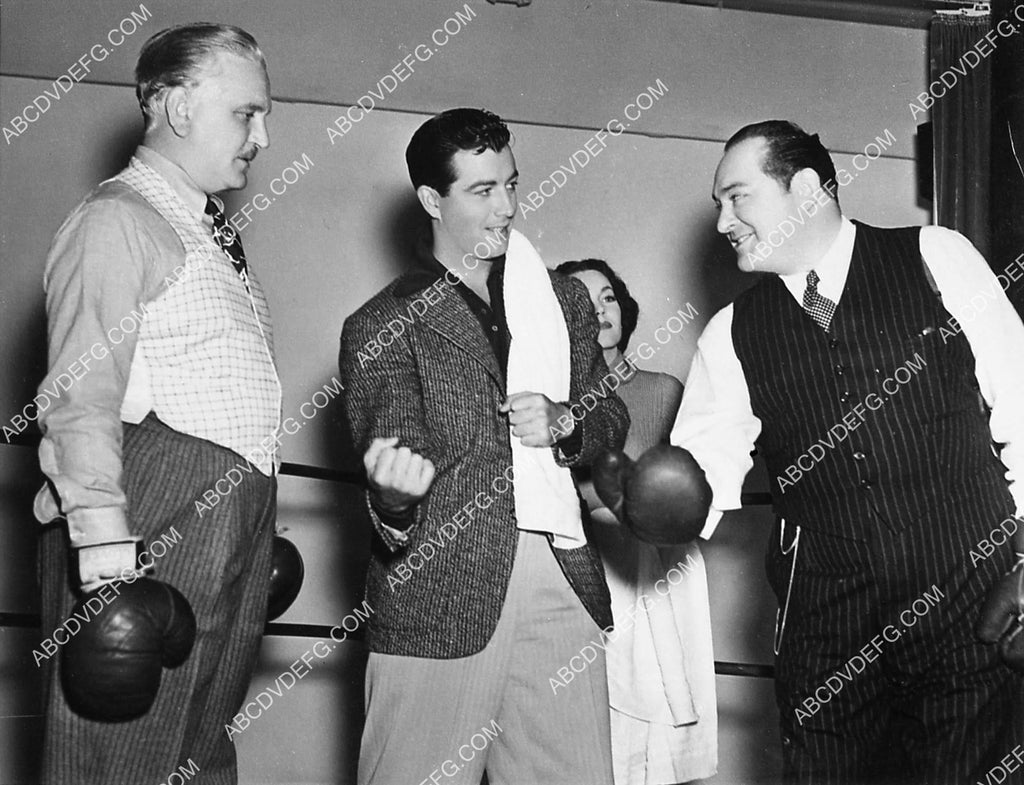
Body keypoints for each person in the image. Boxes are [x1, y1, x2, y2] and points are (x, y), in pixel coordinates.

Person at [672, 119, 1024, 784]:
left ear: (804, 189)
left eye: (737, 196)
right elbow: (693, 483)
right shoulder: (731, 331)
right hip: (828, 630)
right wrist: (631, 488)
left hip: (968, 602)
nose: (722, 221)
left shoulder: (935, 256)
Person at [339, 107, 629, 785]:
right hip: (439, 587)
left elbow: (608, 414)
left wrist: (568, 422)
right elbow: (392, 465)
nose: (505, 207)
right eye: (481, 191)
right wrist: (394, 495)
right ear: (432, 200)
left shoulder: (562, 302)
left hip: (559, 570)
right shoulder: (381, 324)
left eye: (510, 184)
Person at [34, 23, 280, 784]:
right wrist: (108, 575)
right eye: (247, 113)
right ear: (177, 108)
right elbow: (80, 399)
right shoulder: (118, 219)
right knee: (116, 763)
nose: (263, 136)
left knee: (199, 759)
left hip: (223, 511)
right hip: (157, 512)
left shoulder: (205, 232)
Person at [557, 258, 718, 785]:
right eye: (583, 300)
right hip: (590, 565)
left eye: (607, 296)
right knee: (596, 724)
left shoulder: (666, 391)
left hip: (661, 571)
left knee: (661, 728)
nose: (600, 309)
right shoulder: (556, 404)